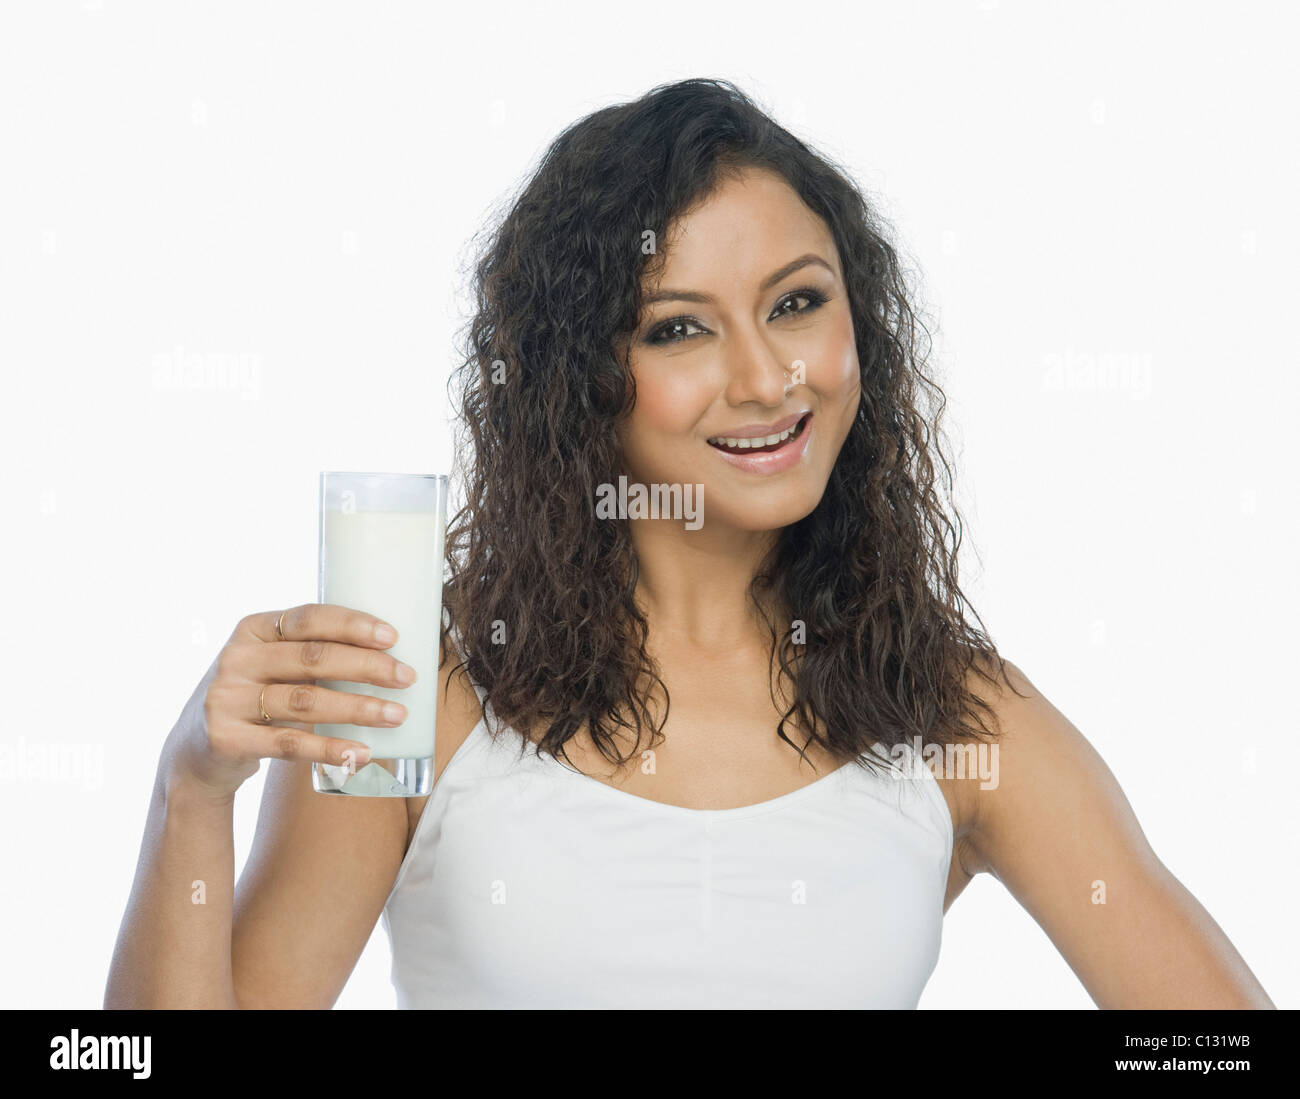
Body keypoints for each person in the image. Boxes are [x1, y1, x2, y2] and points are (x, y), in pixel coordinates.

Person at [105, 78, 1274, 1009]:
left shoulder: (953, 714)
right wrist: (190, 790)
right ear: (577, 384)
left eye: (798, 302)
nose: (768, 379)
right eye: (679, 329)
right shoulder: (426, 686)